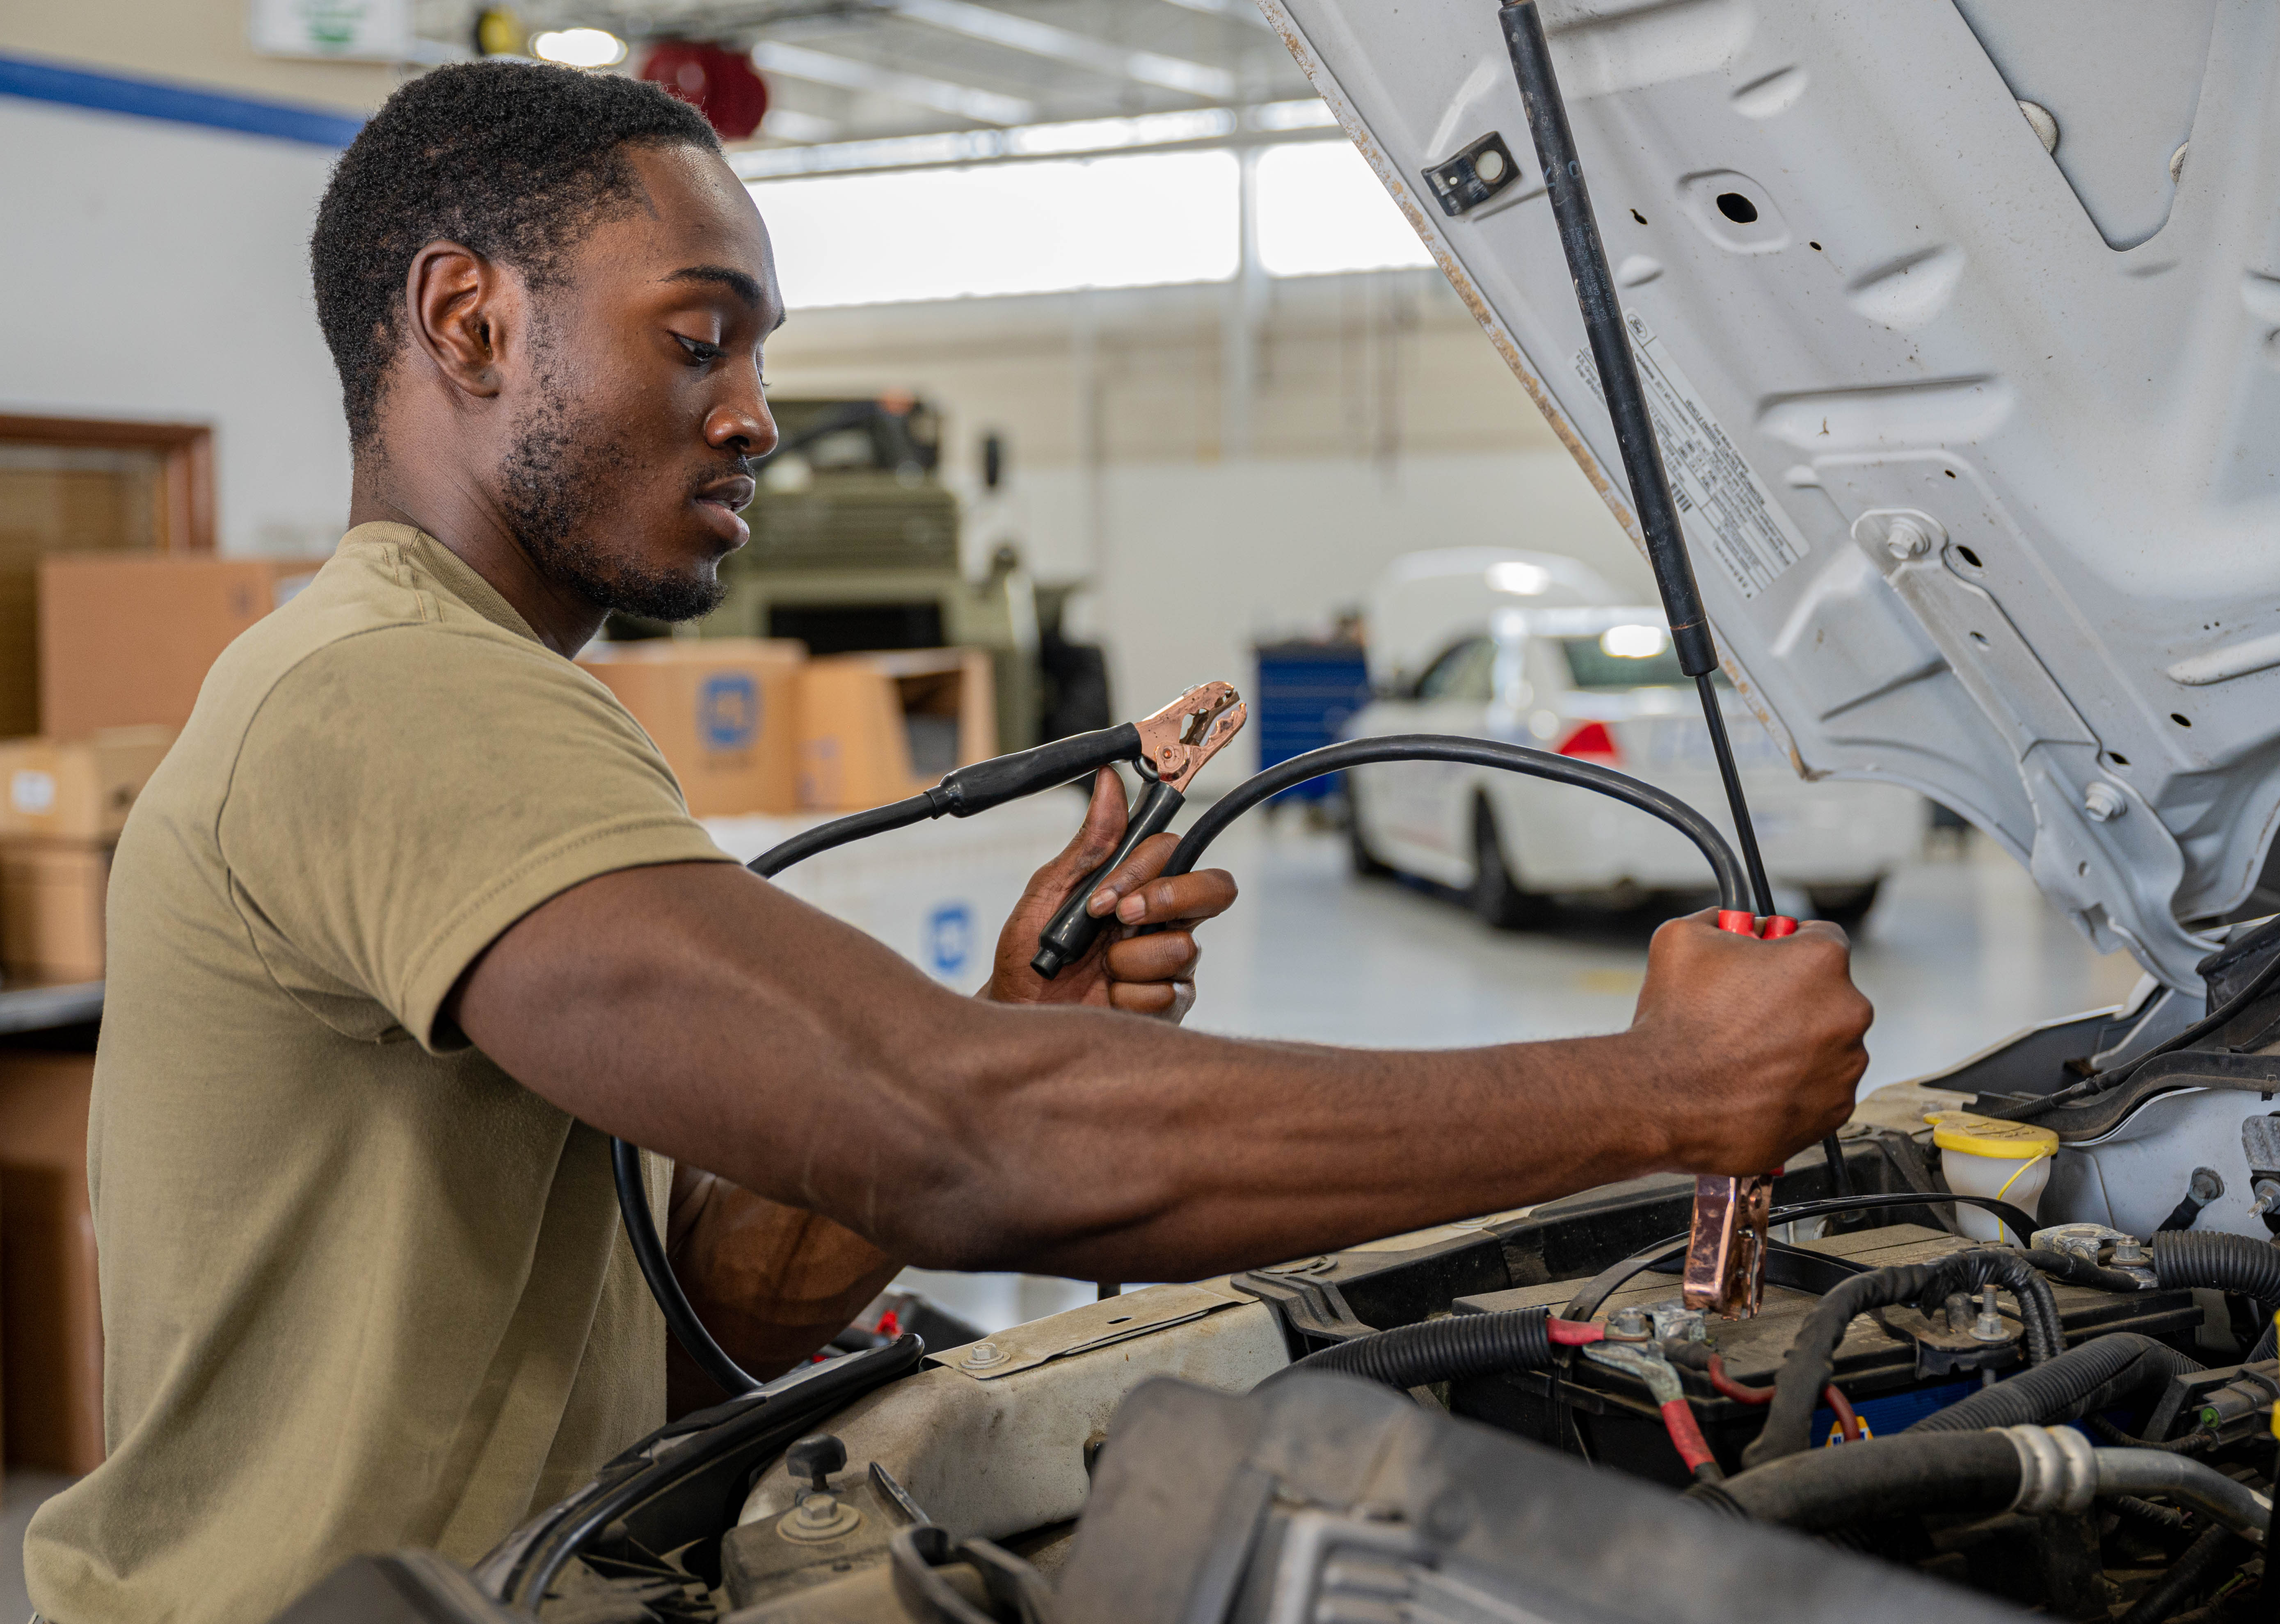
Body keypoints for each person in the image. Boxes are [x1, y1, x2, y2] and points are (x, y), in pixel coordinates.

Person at [22, 62, 1872, 1624]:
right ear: (468, 320)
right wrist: (1656, 1094)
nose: (752, 413)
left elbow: (711, 1323)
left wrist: (1006, 1008)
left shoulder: (467, 696)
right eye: (696, 339)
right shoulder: (388, 694)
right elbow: (963, 1142)